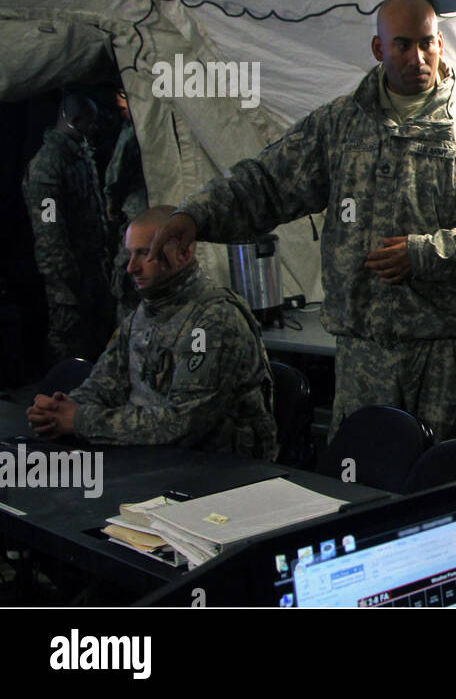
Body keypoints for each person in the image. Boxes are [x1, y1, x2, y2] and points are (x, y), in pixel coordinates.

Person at [148, 0, 456, 443]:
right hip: (365, 362)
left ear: (441, 45)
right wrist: (195, 215)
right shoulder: (339, 127)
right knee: (366, 490)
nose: (417, 57)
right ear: (378, 49)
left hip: (450, 361)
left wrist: (426, 254)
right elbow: (267, 183)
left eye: (427, 43)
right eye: (402, 45)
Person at [27, 205, 277, 458]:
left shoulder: (214, 319)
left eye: (145, 253)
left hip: (219, 471)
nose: (131, 267)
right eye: (130, 254)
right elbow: (105, 384)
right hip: (155, 459)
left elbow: (183, 424)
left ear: (183, 253)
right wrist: (59, 412)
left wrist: (80, 420)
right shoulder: (146, 310)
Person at [21, 91, 115, 364]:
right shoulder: (48, 165)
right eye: (90, 123)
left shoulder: (79, 155)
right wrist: (64, 276)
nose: (94, 129)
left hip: (91, 264)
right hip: (68, 271)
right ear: (74, 120)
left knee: (97, 333)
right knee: (69, 337)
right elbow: (48, 226)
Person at [104, 86, 148, 322]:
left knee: (127, 283)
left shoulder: (132, 132)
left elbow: (116, 175)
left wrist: (112, 201)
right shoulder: (151, 127)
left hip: (136, 218)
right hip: (151, 218)